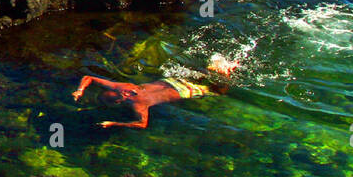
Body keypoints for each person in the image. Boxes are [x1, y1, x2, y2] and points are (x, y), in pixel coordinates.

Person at [72, 54, 240, 129]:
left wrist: (113, 123)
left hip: (183, 91)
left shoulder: (138, 105)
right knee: (200, 75)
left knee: (219, 91)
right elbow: (90, 78)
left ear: (119, 100)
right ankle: (219, 68)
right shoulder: (125, 87)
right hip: (173, 81)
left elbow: (142, 124)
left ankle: (228, 74)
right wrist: (80, 90)